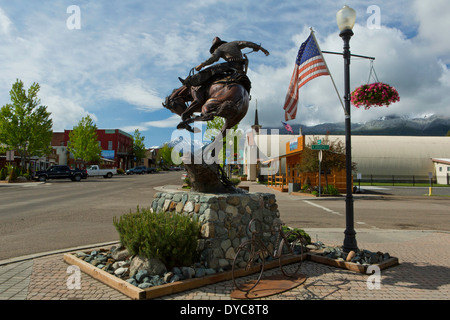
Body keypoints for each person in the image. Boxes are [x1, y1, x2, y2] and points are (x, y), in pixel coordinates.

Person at [179, 37, 269, 88]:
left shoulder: (219, 48)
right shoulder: (235, 42)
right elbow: (247, 43)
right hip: (240, 68)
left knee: (210, 70)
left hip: (231, 65)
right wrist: (260, 48)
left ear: (215, 47)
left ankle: (190, 81)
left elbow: (214, 58)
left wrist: (202, 65)